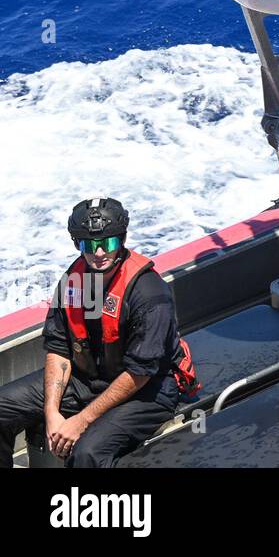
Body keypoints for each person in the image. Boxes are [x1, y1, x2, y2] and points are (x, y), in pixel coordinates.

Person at [0, 198, 198, 467]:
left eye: (109, 243)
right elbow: (59, 348)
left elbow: (140, 372)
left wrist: (80, 421)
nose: (100, 253)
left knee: (87, 453)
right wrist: (51, 413)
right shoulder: (75, 279)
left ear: (122, 239)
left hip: (147, 391)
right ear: (78, 245)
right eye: (90, 245)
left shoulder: (149, 293)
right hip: (88, 379)